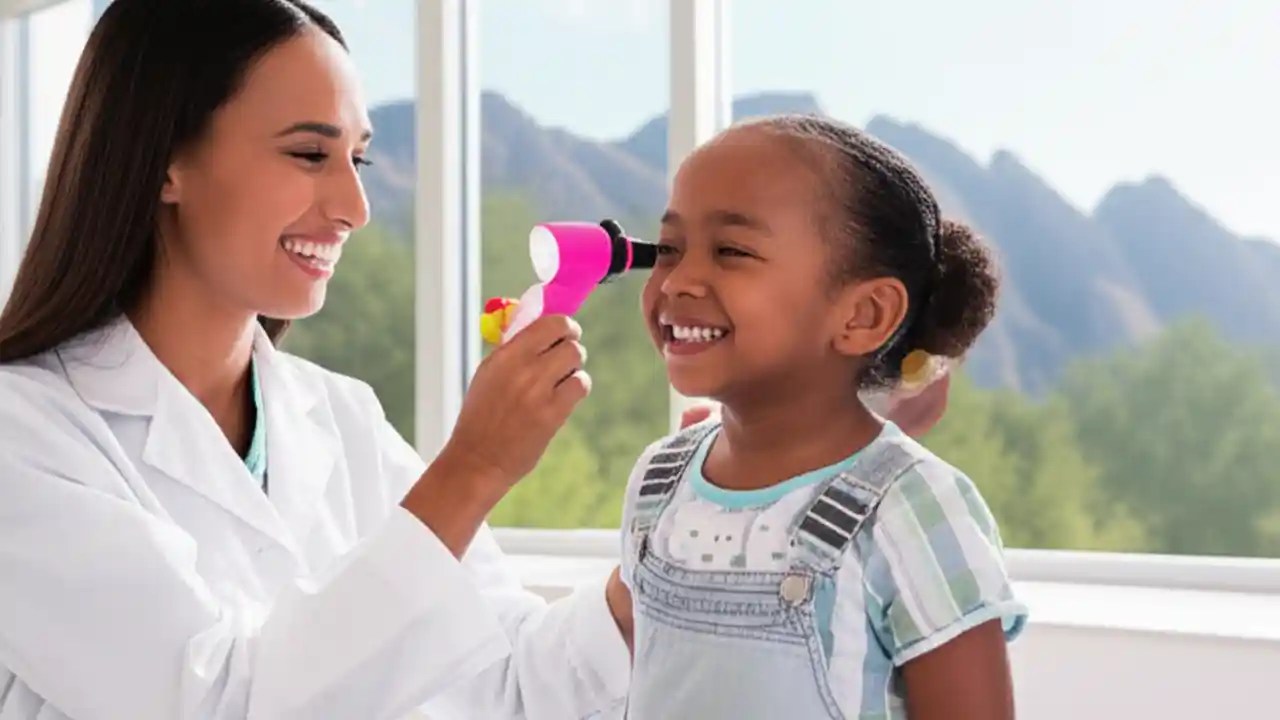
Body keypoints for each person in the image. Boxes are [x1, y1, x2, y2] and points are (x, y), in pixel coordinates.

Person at [0, 2, 635, 718]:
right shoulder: (21, 432)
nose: (355, 206)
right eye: (310, 154)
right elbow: (217, 704)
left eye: (357, 158)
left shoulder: (342, 417)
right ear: (165, 163)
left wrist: (661, 562)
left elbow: (507, 677)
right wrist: (475, 467)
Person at [617, 115, 1027, 719]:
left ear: (863, 315)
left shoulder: (912, 506)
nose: (678, 280)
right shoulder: (659, 480)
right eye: (669, 249)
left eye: (730, 251)